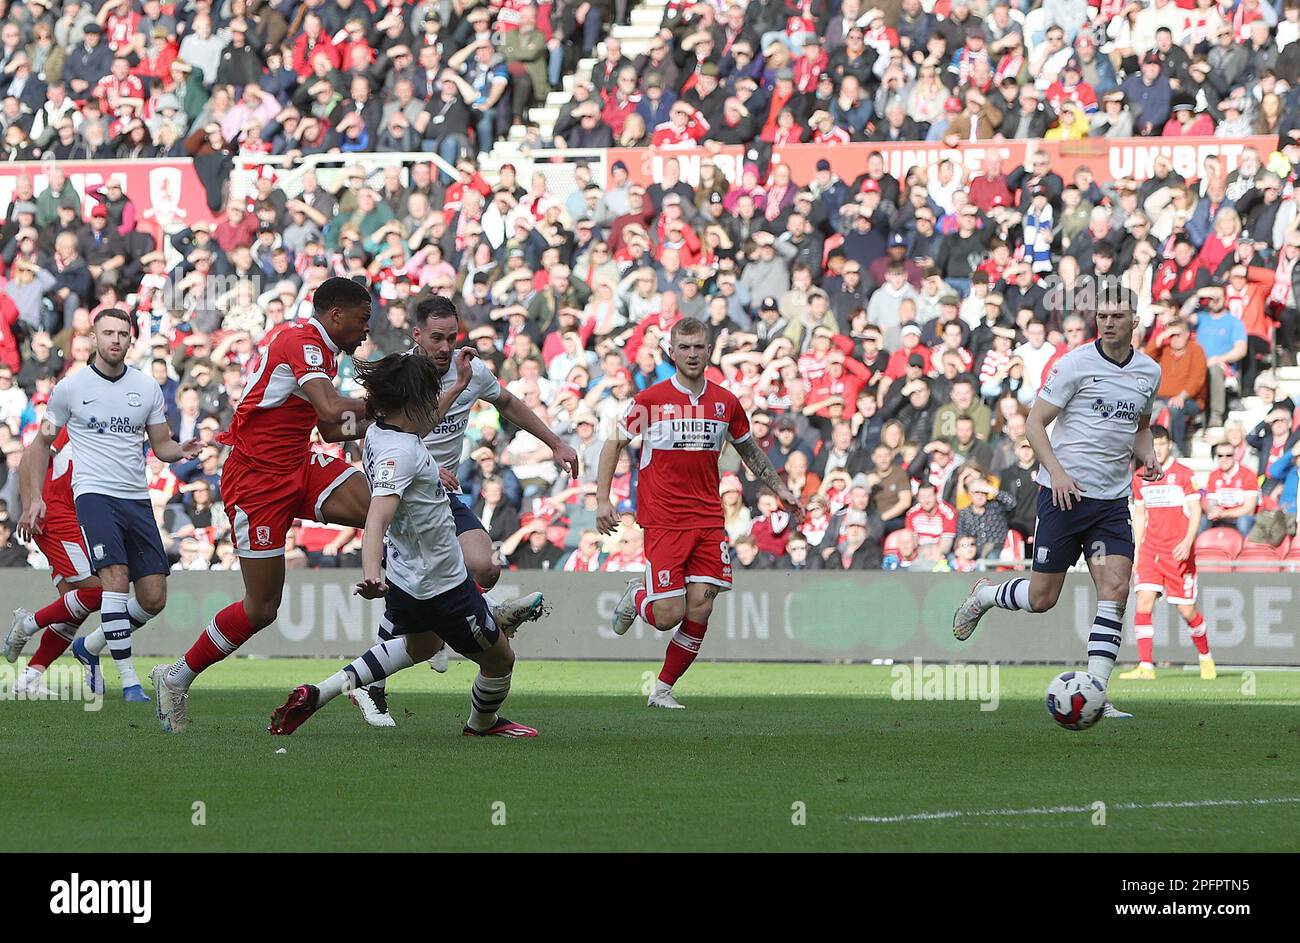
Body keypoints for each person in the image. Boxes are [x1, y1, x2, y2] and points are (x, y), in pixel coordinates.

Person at [269, 351, 545, 738]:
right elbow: (376, 517)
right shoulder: (401, 454)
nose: (435, 405)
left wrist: (462, 386)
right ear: (412, 402)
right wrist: (369, 575)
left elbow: (425, 423)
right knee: (500, 660)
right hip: (443, 584)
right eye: (430, 397)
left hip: (408, 579)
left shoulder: (383, 432)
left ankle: (319, 693)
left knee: (421, 647)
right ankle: (481, 724)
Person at [150, 278, 378, 733]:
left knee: (384, 509)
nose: (366, 331)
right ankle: (175, 676)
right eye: (362, 319)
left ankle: (428, 626)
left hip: (299, 464)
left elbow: (332, 431)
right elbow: (333, 412)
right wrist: (393, 403)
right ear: (336, 315)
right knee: (262, 607)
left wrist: (390, 422)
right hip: (256, 483)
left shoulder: (325, 352)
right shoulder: (301, 340)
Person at [351, 294, 578, 727]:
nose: (443, 347)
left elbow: (508, 403)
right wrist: (426, 464)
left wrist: (556, 443)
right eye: (435, 338)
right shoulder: (402, 375)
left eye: (451, 338)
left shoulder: (470, 369)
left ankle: (468, 623)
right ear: (416, 334)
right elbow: (381, 432)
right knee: (411, 594)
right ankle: (373, 684)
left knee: (484, 568)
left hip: (444, 495)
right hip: (403, 496)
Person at [951, 290, 1162, 719]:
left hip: (1111, 500)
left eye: (1117, 316)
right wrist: (1059, 474)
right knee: (1043, 597)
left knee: (1116, 590)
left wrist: (1150, 454)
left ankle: (1097, 696)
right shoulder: (1074, 363)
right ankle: (986, 595)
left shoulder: (1148, 371)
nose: (1108, 323)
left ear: (1134, 320)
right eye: (1101, 315)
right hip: (1063, 496)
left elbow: (1140, 427)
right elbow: (1033, 423)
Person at [596, 318, 801, 709]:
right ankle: (637, 595)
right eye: (684, 347)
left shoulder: (725, 403)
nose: (692, 354)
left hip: (709, 520)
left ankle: (662, 689)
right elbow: (613, 443)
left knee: (702, 606)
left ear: (709, 351)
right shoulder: (650, 401)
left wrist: (780, 489)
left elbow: (750, 451)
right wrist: (603, 500)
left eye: (699, 347)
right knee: (667, 614)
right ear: (671, 352)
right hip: (664, 520)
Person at [19, 309, 200, 701]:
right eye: (108, 333)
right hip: (94, 495)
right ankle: (130, 681)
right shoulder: (71, 387)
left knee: (153, 597)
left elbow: (161, 445)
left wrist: (180, 450)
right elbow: (39, 444)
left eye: (122, 333)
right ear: (95, 338)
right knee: (113, 580)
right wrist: (34, 500)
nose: (115, 339)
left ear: (131, 339)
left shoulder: (147, 387)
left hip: (136, 498)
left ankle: (90, 646)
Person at [4, 428, 115, 696]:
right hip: (56, 517)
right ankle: (29, 623)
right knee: (103, 590)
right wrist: (31, 504)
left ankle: (29, 679)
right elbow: (30, 456)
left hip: (73, 517)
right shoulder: (71, 420)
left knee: (74, 607)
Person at [1119, 425, 1215, 682]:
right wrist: (1138, 550)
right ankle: (1146, 666)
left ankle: (1205, 657)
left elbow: (1196, 511)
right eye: (1154, 444)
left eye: (1162, 444)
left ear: (1169, 444)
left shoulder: (1184, 475)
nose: (1158, 449)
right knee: (1143, 603)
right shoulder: (1140, 476)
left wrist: (1187, 541)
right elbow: (1140, 514)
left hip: (1177, 552)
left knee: (1186, 611)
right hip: (1151, 550)